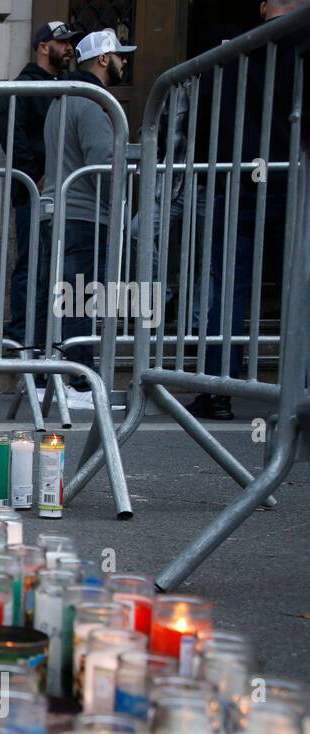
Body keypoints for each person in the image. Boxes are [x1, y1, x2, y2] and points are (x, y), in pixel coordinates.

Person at [185, 0, 307, 420]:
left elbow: (204, 127)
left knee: (228, 291)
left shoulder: (230, 56)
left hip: (238, 183)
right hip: (294, 185)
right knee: (300, 293)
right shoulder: (299, 47)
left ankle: (219, 388)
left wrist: (212, 180)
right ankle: (303, 391)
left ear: (262, 7)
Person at [38, 27, 137, 400]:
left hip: (60, 213)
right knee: (79, 299)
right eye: (119, 55)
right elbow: (103, 166)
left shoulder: (62, 100)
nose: (123, 61)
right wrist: (121, 213)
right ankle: (79, 381)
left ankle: (61, 376)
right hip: (83, 216)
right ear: (102, 58)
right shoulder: (94, 103)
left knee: (67, 298)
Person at [0, 21, 81, 354]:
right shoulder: (24, 85)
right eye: (62, 42)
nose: (69, 48)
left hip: (65, 190)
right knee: (32, 263)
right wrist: (36, 175)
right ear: (43, 46)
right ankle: (21, 337)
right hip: (34, 191)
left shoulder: (68, 85)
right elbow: (11, 134)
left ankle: (49, 338)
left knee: (58, 265)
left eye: (71, 43)